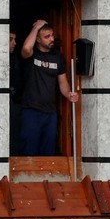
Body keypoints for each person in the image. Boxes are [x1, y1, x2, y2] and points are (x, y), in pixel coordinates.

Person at [18, 19, 78, 157]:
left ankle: (45, 179)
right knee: (29, 151)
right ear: (37, 39)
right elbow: (26, 49)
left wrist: (69, 94)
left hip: (50, 113)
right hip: (31, 111)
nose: (51, 39)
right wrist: (36, 28)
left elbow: (62, 82)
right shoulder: (31, 55)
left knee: (48, 153)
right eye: (46, 37)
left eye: (52, 35)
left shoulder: (57, 56)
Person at [8, 32, 24, 156]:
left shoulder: (15, 60)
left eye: (15, 39)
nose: (14, 43)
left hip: (15, 103)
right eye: (10, 39)